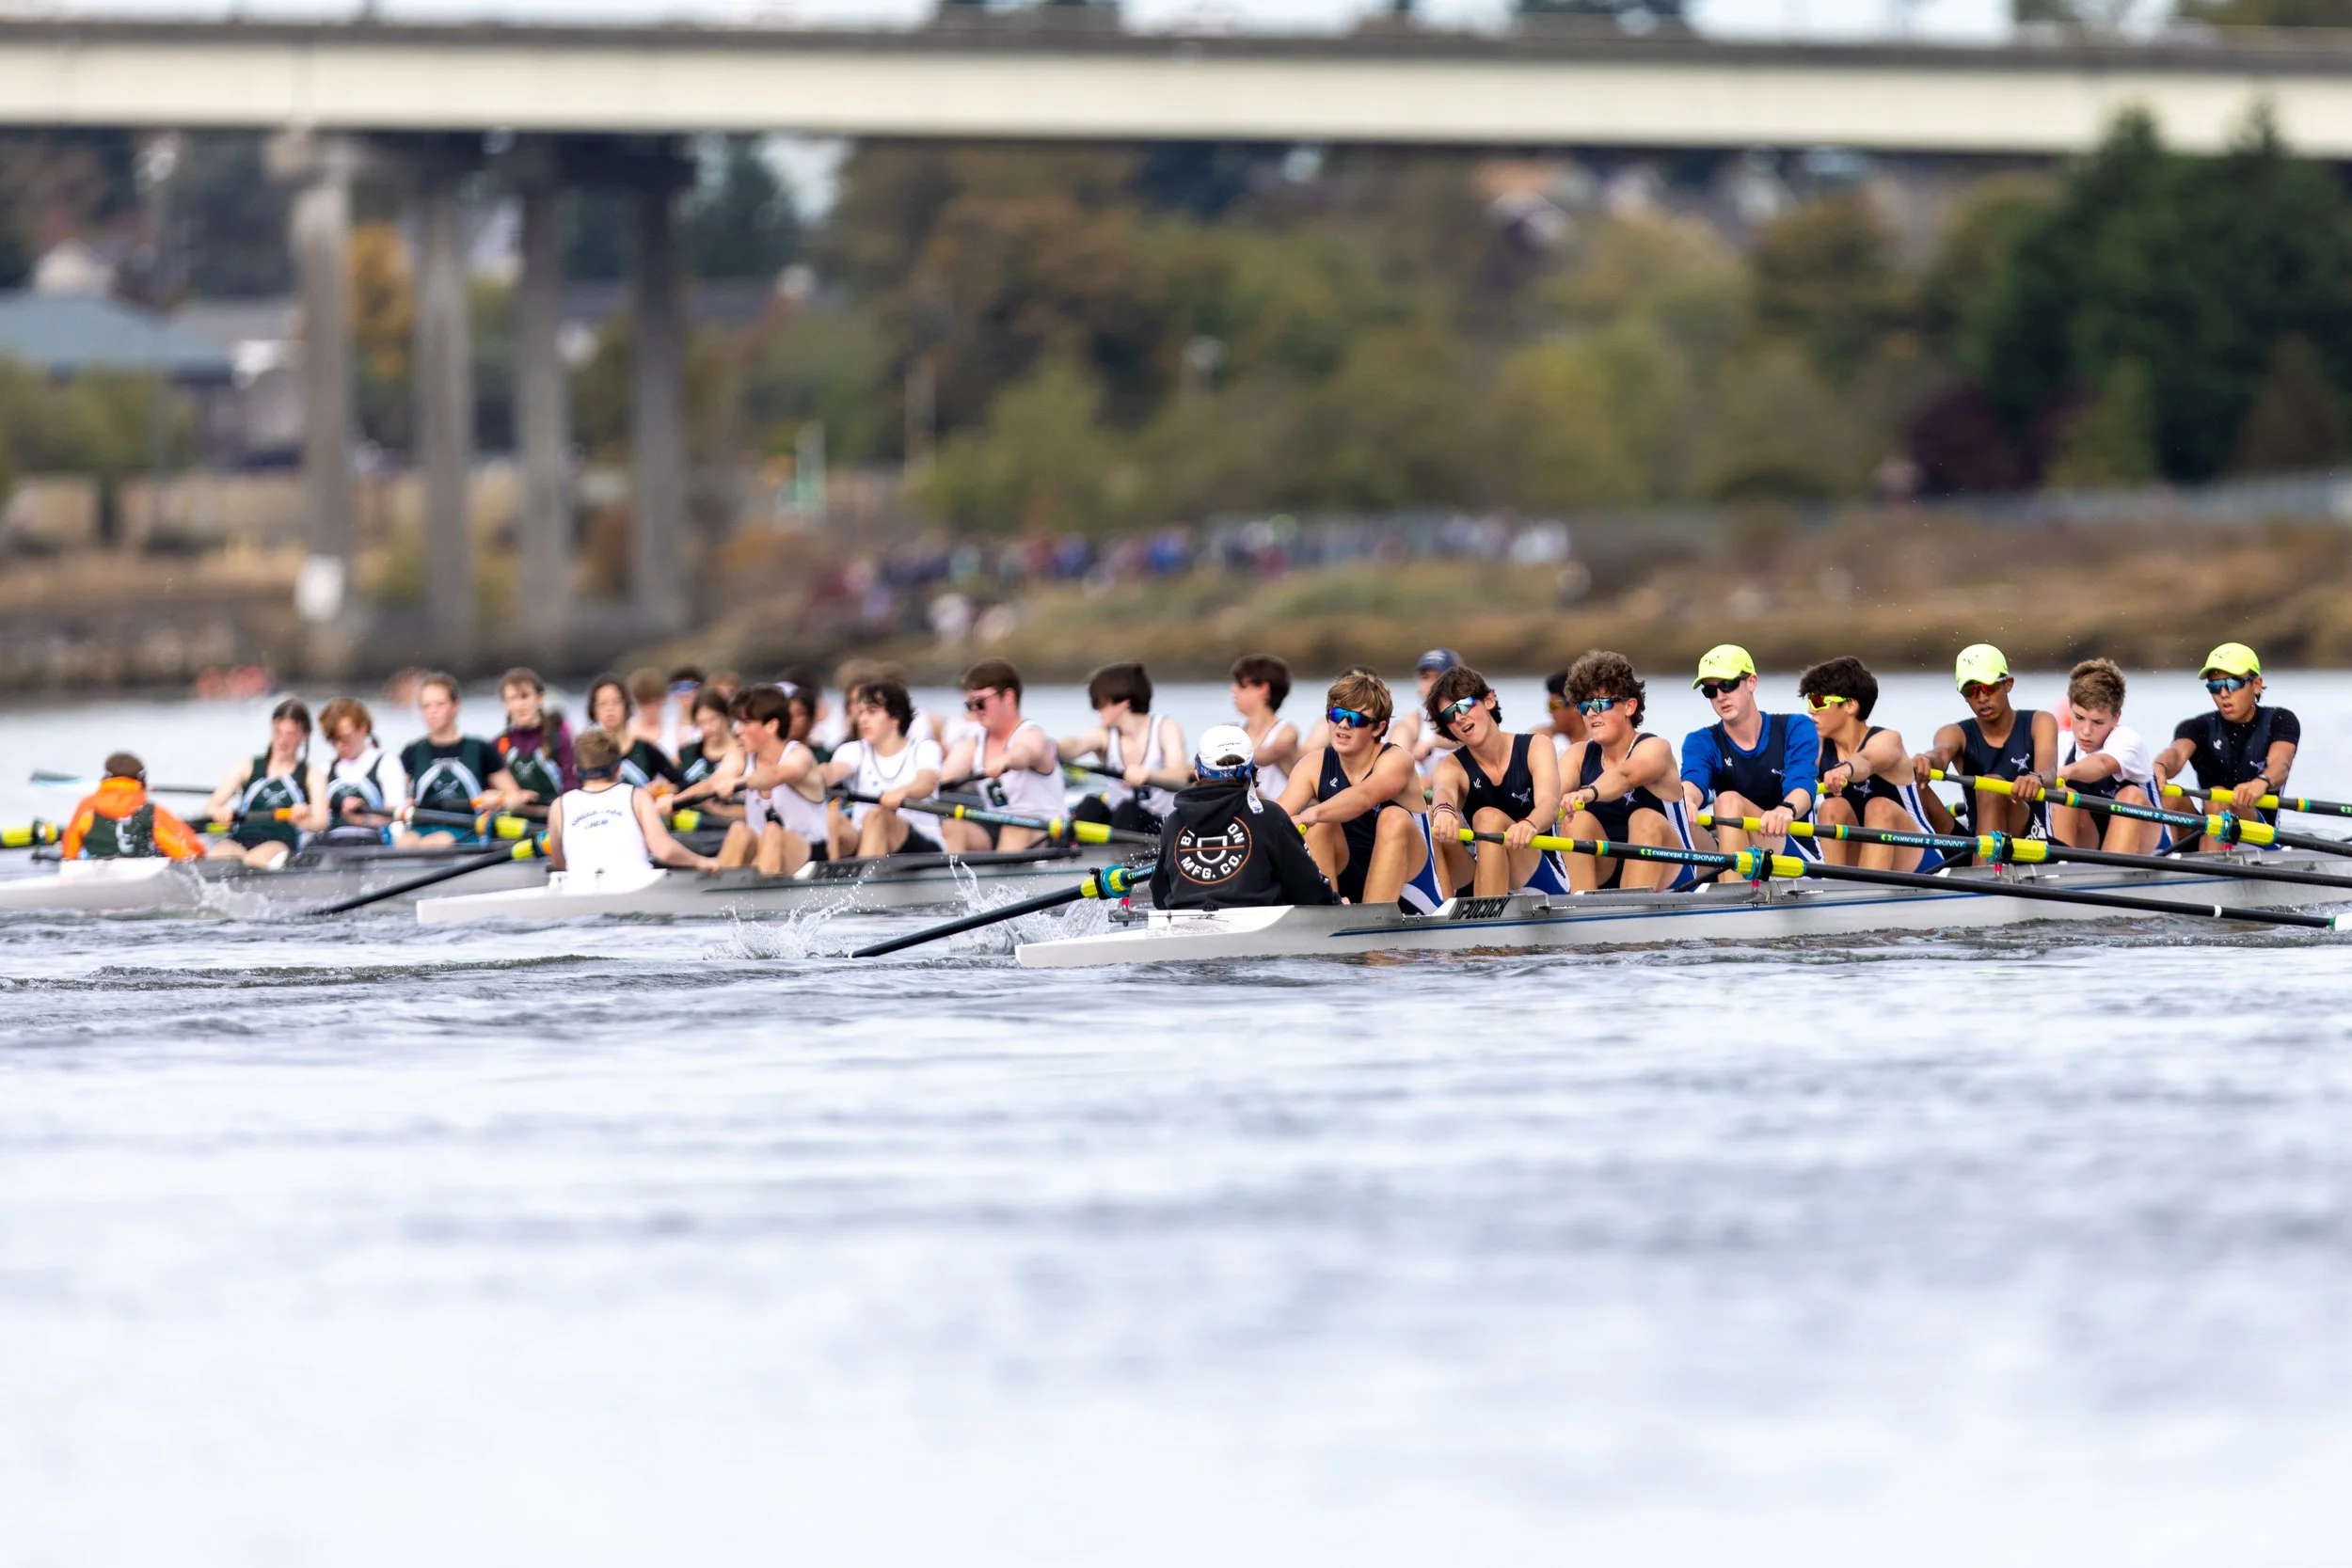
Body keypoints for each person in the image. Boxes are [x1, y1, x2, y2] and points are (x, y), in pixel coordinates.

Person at [1278, 669, 1443, 911]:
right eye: (1336, 715)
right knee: (1319, 825)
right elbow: (1274, 821)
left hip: (1412, 890)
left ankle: (1368, 929)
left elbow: (1364, 796)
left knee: (1393, 817)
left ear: (1378, 728)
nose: (1343, 725)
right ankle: (1328, 914)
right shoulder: (1313, 765)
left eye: (1355, 719)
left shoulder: (1397, 760)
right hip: (1348, 881)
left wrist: (1310, 814)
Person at [1556, 650, 1701, 892]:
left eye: (1600, 703)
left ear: (1629, 706)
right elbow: (1548, 797)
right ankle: (1580, 911)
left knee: (1644, 819)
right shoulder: (1577, 755)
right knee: (1575, 820)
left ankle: (1627, 910)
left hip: (1674, 873)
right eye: (1584, 706)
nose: (1592, 713)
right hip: (1609, 869)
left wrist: (1587, 793)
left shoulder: (1656, 749)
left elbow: (1624, 776)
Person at [1151, 725, 1336, 912]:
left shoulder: (1174, 821)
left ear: (1198, 772)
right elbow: (1310, 891)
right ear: (1254, 771)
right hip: (1258, 929)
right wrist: (1336, 903)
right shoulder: (1270, 816)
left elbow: (1160, 895)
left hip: (1186, 929)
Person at [1423, 665, 1569, 898]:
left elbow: (1549, 805)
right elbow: (1443, 791)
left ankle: (1485, 924)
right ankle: (1444, 912)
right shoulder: (1450, 766)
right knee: (1432, 819)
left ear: (1489, 700)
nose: (1460, 717)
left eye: (1464, 705)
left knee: (1487, 817)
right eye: (1450, 715)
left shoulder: (1536, 746)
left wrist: (1529, 825)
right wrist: (1443, 811)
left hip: (1539, 875)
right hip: (1485, 870)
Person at [1678, 644, 1819, 871]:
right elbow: (1693, 781)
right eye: (1710, 691)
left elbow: (1802, 784)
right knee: (1670, 817)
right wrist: (1686, 800)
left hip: (1794, 853)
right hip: (1739, 848)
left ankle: (1729, 896)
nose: (1721, 697)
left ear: (1752, 682)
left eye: (1728, 685)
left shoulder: (1795, 727)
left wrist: (1785, 810)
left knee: (1728, 801)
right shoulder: (1701, 741)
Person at [2151, 641, 2300, 852]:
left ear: (2256, 684)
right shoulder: (2197, 727)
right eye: (2214, 686)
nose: (2223, 694)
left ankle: (2205, 875)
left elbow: (2281, 764)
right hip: (2211, 828)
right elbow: (2176, 754)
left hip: (2259, 833)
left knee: (2219, 796)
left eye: (2232, 684)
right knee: (2168, 795)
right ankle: (2162, 867)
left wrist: (2261, 782)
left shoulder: (2280, 720)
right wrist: (2160, 766)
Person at [1799, 657, 1938, 873]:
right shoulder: (1817, 748)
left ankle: (1863, 897)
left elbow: (1866, 761)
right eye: (1809, 700)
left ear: (1850, 705)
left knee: (1878, 807)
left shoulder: (1887, 739)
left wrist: (1844, 770)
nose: (1811, 710)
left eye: (1818, 701)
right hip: (1863, 855)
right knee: (1831, 807)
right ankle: (1835, 891)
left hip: (1921, 860)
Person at [1909, 643, 2056, 844]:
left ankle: (1980, 872)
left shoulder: (2040, 722)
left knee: (1992, 785)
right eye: (1971, 690)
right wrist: (1924, 761)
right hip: (1978, 840)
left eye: (1989, 687)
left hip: (2031, 839)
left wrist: (2036, 778)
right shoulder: (1953, 732)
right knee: (1911, 783)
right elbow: (1940, 755)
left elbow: (2049, 772)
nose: (1982, 698)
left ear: (2008, 684)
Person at [2027, 658, 2165, 855]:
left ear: (2116, 718)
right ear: (2071, 708)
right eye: (2079, 717)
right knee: (2063, 794)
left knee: (2130, 796)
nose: (2085, 731)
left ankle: (2108, 874)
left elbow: (2101, 764)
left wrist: (2062, 772)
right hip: (2090, 839)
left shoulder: (2128, 740)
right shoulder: (2062, 744)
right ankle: (2061, 869)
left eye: (2098, 722)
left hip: (2150, 846)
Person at [546, 729, 718, 879]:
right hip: (636, 889)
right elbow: (664, 851)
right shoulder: (637, 797)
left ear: (577, 770)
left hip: (580, 895)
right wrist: (699, 861)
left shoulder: (559, 806)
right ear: (619, 769)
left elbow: (560, 865)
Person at [941, 658, 1062, 854]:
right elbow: (942, 777)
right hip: (996, 825)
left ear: (1008, 696)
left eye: (980, 703)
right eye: (969, 705)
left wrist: (1006, 760)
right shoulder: (973, 743)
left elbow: (1026, 752)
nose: (974, 711)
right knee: (953, 828)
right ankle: (952, 883)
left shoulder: (1032, 734)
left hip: (1047, 830)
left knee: (1015, 828)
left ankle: (998, 884)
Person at [820, 678, 946, 859]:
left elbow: (926, 782)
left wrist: (903, 792)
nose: (862, 719)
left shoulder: (924, 748)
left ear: (895, 717)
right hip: (865, 838)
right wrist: (811, 775)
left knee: (877, 816)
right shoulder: (853, 750)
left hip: (922, 844)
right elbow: (832, 772)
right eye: (861, 712)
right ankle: (827, 883)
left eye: (872, 712)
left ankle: (860, 885)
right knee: (831, 815)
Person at [1060, 661, 1188, 834]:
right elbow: (1075, 747)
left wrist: (1148, 775)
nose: (1097, 709)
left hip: (1161, 826)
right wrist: (1048, 746)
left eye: (1101, 703)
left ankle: (1118, 858)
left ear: (1124, 702)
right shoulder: (1104, 735)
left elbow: (1179, 776)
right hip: (1121, 824)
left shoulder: (1165, 727)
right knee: (1091, 805)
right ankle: (1067, 854)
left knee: (1128, 810)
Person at [398, 673, 520, 847]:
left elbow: (514, 795)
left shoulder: (480, 749)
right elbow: (394, 799)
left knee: (437, 842)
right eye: (426, 706)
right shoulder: (412, 752)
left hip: (467, 829)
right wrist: (404, 801)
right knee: (404, 843)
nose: (432, 711)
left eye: (439, 704)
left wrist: (499, 799)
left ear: (456, 706)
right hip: (421, 828)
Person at [718, 684, 828, 876]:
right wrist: (675, 799)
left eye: (745, 723)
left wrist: (738, 783)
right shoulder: (741, 756)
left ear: (771, 726)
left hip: (811, 854)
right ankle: (719, 897)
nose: (737, 731)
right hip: (765, 851)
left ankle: (758, 899)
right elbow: (712, 783)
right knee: (738, 830)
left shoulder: (799, 754)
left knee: (771, 831)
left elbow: (776, 775)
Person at [202, 697, 313, 868]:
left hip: (280, 842)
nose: (282, 740)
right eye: (277, 732)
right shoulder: (246, 766)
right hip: (241, 839)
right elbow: (211, 808)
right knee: (218, 855)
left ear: (304, 735)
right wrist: (220, 814)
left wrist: (304, 818)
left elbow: (321, 821)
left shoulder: (311, 774)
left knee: (254, 860)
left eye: (290, 734)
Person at [61, 753, 204, 862]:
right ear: (141, 780)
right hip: (140, 876)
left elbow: (68, 854)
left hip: (95, 877)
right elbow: (191, 852)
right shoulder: (151, 811)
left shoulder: (87, 807)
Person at [310, 697, 407, 846]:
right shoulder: (323, 770)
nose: (339, 746)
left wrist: (364, 819)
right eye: (333, 739)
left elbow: (395, 813)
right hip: (331, 844)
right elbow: (318, 821)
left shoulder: (387, 763)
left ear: (363, 729)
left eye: (345, 738)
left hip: (373, 843)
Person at [586, 673, 687, 794]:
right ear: (593, 709)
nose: (610, 709)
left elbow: (682, 783)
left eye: (616, 702)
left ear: (626, 705)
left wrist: (664, 790)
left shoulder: (645, 750)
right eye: (603, 704)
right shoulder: (587, 754)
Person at [493, 667, 577, 808]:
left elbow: (572, 788)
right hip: (509, 822)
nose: (520, 704)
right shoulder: (497, 744)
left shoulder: (560, 740)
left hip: (551, 819)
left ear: (539, 698)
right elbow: (488, 791)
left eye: (525, 696)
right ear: (505, 704)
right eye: (513, 698)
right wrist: (506, 798)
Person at [1229, 654, 1301, 800]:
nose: (1233, 690)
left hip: (1277, 814)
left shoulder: (1286, 732)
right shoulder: (1233, 731)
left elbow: (1269, 753)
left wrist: (1221, 760)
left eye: (1241, 685)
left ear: (1263, 688)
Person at [671, 686, 745, 820]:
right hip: (687, 828)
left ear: (726, 716)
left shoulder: (741, 751)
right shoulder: (686, 753)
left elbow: (712, 784)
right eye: (702, 722)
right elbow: (671, 784)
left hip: (724, 827)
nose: (709, 728)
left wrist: (708, 806)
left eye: (713, 719)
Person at [1542, 669, 1589, 762]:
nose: (1549, 711)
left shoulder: (1600, 742)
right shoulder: (1553, 740)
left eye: (1553, 705)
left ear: (1574, 706)